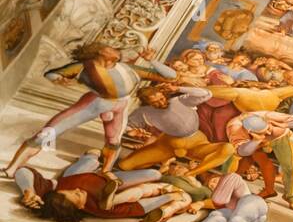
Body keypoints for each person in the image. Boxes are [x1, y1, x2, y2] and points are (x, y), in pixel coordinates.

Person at [2, 43, 175, 178]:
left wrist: (152, 60)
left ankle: (105, 171)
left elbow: (171, 76)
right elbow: (51, 74)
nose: (116, 50)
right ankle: (11, 168)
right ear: (99, 52)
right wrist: (59, 79)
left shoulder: (129, 68)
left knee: (113, 141)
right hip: (94, 103)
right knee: (46, 134)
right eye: (110, 48)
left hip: (120, 106)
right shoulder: (84, 67)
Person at [14, 151, 191, 222]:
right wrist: (166, 198)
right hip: (114, 184)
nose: (77, 189)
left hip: (85, 172)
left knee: (91, 158)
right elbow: (139, 208)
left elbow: (22, 171)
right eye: (77, 195)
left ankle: (91, 156)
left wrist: (28, 190)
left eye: (71, 190)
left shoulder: (56, 191)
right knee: (152, 174)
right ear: (81, 208)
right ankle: (97, 163)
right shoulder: (101, 209)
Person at [168, 171, 268, 222]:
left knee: (235, 219)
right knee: (218, 214)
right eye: (211, 186)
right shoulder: (226, 203)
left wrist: (202, 203)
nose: (214, 185)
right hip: (251, 216)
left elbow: (219, 198)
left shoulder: (233, 179)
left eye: (215, 181)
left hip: (254, 202)